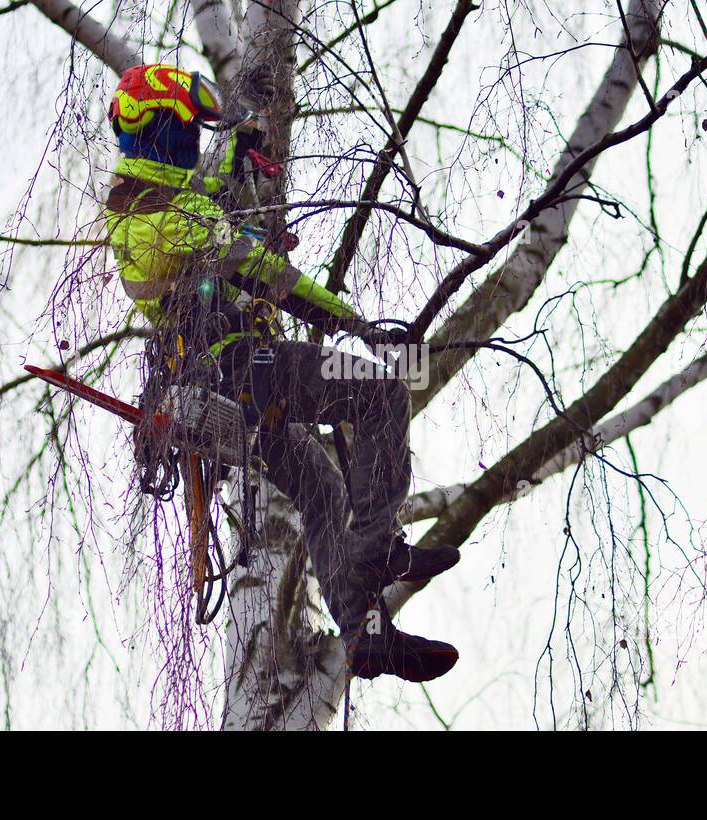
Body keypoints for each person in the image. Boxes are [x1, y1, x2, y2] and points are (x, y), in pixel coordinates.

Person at [102, 63, 459, 682]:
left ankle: (366, 636)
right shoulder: (156, 220)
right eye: (186, 137)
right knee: (380, 392)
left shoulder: (153, 209)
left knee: (324, 492)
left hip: (237, 393)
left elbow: (217, 210)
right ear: (160, 134)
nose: (192, 152)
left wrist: (238, 154)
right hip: (240, 372)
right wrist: (356, 323)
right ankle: (375, 550)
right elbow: (267, 270)